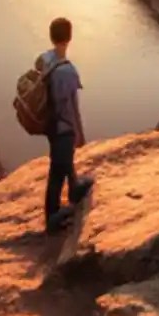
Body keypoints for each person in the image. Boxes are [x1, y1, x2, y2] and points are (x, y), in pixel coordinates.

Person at [40, 17, 92, 233]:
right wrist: (79, 133)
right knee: (57, 172)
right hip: (64, 127)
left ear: (52, 36)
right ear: (69, 38)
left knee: (63, 160)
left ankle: (75, 187)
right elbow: (72, 106)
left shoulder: (45, 59)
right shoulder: (68, 72)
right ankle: (52, 218)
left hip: (50, 124)